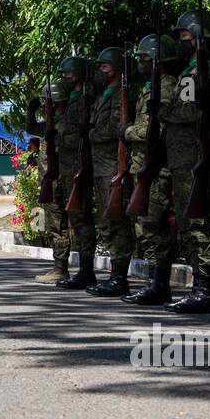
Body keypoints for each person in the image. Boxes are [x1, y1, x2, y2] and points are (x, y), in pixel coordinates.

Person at [161, 9, 210, 313]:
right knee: (190, 222)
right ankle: (200, 288)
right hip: (183, 157)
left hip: (193, 157)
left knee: (199, 223)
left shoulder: (200, 71)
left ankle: (204, 290)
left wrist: (162, 112)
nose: (180, 42)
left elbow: (186, 112)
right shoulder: (192, 71)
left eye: (185, 36)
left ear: (200, 38)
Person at [121, 33, 180, 305]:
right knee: (145, 226)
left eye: (145, 59)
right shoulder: (149, 87)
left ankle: (160, 285)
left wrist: (127, 132)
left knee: (152, 226)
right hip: (142, 165)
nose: (140, 63)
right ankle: (156, 284)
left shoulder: (165, 86)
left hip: (155, 166)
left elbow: (151, 131)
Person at [86, 47, 137, 297]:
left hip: (112, 165)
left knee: (116, 222)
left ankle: (119, 279)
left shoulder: (120, 95)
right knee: (107, 221)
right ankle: (115, 277)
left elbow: (114, 129)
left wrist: (91, 132)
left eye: (104, 67)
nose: (100, 71)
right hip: (101, 165)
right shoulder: (102, 95)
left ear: (115, 68)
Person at [55, 55, 97, 290]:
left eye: (69, 74)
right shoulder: (74, 99)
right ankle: (84, 270)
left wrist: (60, 130)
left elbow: (75, 137)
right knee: (76, 219)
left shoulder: (84, 99)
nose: (66, 79)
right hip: (70, 167)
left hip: (81, 165)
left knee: (82, 219)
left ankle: (87, 271)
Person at [24, 80, 72, 283]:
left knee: (57, 225)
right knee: (52, 224)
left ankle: (61, 268)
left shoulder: (65, 122)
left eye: (46, 102)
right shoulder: (52, 123)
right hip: (49, 180)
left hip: (58, 179)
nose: (45, 106)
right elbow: (32, 127)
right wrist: (30, 110)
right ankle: (58, 267)